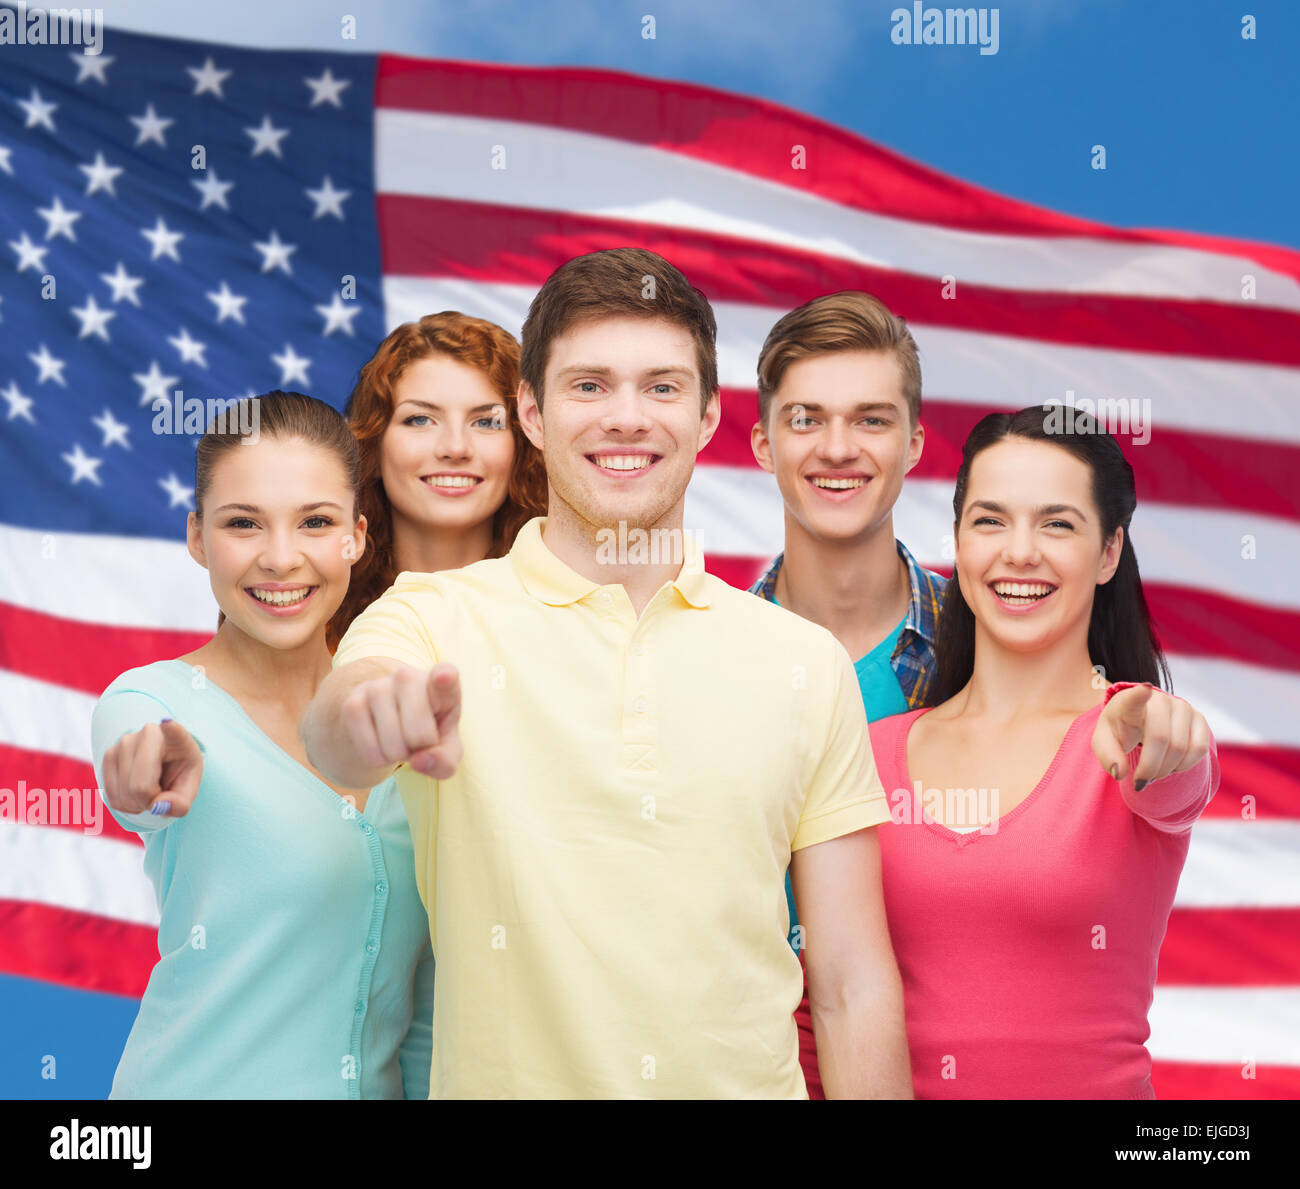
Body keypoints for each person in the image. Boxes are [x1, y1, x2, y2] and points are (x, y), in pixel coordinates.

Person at [301, 248, 913, 1099]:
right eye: (589, 386)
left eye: (661, 387)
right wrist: (371, 716)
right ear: (533, 414)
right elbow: (337, 725)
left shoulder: (803, 661)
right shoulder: (432, 616)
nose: (626, 418)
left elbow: (850, 981)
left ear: (706, 418)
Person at [823, 404, 1219, 1098]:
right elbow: (824, 1003)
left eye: (1057, 523)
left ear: (1108, 552)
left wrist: (1160, 725)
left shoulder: (1131, 737)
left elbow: (1179, 770)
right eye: (990, 519)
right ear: (958, 539)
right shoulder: (867, 752)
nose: (1020, 551)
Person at [90, 391, 434, 1099]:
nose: (281, 559)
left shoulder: (398, 712)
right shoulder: (152, 704)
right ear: (197, 536)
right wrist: (144, 782)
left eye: (315, 522)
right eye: (243, 523)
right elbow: (140, 771)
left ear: (358, 536)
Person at [748, 291, 947, 1095]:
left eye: (871, 419)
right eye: (805, 419)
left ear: (914, 441)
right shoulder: (701, 655)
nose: (838, 448)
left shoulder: (995, 644)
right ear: (763, 442)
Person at [330, 311, 547, 650]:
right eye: (420, 419)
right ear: (373, 445)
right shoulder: (315, 622)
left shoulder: (573, 618)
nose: (455, 448)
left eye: (486, 422)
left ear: (522, 445)